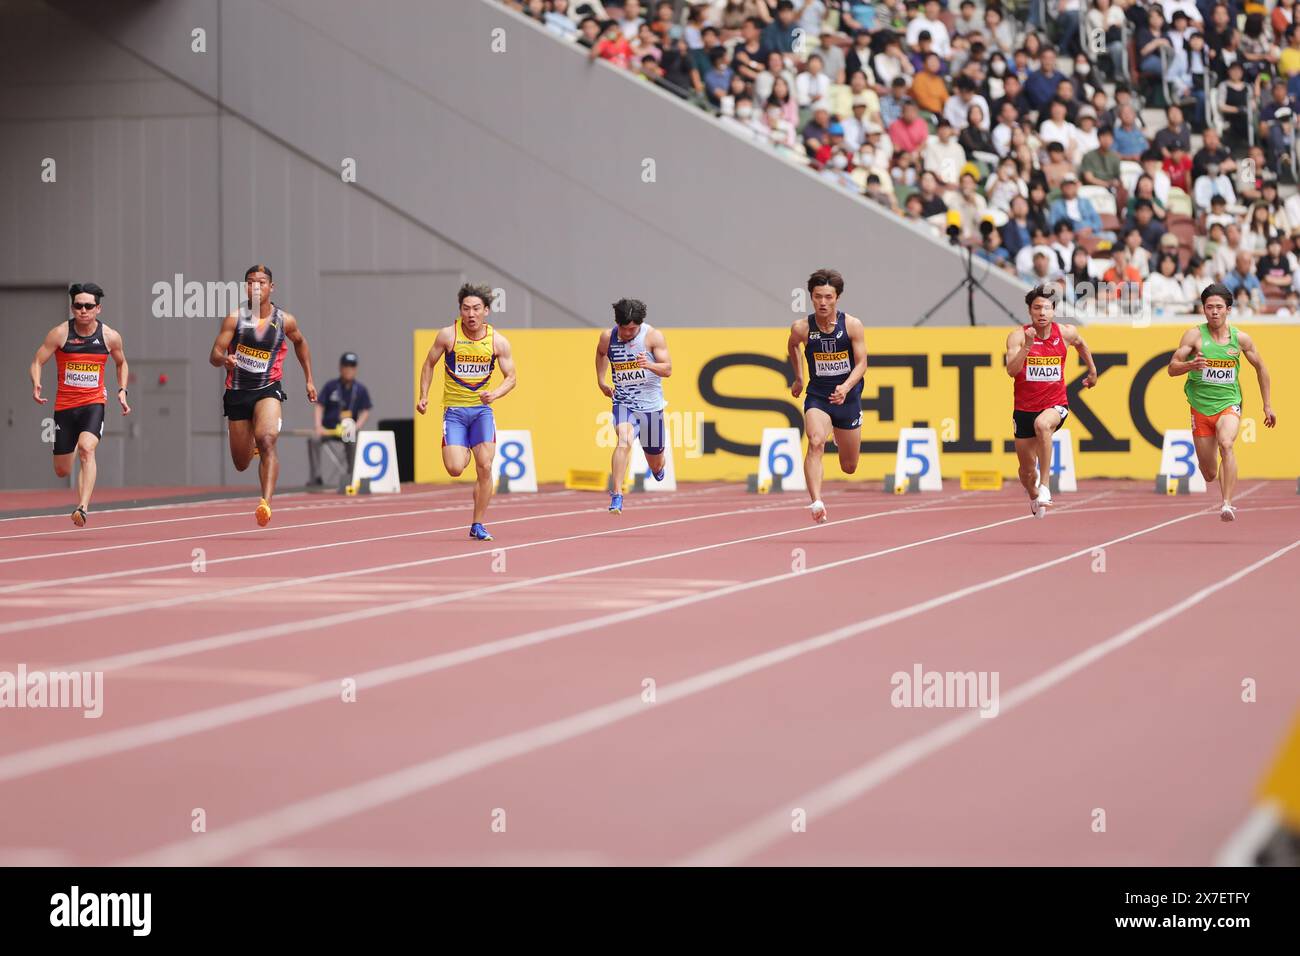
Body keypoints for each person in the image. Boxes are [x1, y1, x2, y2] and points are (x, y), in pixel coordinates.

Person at [209, 265, 317, 527]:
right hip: (237, 392)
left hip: (268, 388)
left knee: (268, 440)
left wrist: (309, 380)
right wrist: (226, 359)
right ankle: (252, 445)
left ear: (271, 287)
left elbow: (300, 342)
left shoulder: (284, 320)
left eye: (261, 283)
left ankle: (265, 504)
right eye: (250, 283)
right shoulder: (235, 319)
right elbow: (213, 355)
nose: (256, 287)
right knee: (241, 462)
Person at [416, 283, 517, 541]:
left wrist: (495, 393)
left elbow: (511, 378)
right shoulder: (447, 336)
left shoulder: (498, 342)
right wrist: (424, 396)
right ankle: (465, 448)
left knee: (485, 466)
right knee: (455, 468)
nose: (470, 314)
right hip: (455, 412)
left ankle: (478, 523)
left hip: (482, 412)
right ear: (460, 310)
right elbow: (429, 364)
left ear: (486, 311)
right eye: (465, 309)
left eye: (476, 309)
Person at [1166, 284, 1276, 521]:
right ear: (1203, 310)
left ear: (1228, 310)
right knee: (1208, 473)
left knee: (1226, 443)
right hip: (1200, 407)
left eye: (1218, 307)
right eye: (1209, 307)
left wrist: (1267, 405)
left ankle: (1227, 503)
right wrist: (1190, 365)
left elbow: (1262, 369)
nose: (1214, 312)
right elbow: (1171, 369)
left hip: (1229, 402)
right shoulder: (1194, 336)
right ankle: (1216, 480)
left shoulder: (1240, 339)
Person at [29, 282, 130, 526]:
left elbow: (121, 363)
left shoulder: (109, 336)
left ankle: (82, 507)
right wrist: (36, 383)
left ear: (98, 308)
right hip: (64, 407)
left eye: (88, 306)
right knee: (62, 470)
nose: (83, 310)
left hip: (93, 403)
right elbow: (37, 360)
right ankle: (71, 443)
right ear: (72, 307)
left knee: (87, 448)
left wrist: (122, 390)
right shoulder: (60, 333)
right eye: (78, 305)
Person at [1005, 286, 1098, 518]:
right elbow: (1011, 371)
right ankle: (1035, 493)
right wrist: (1027, 345)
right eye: (1037, 308)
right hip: (1024, 409)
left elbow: (1081, 344)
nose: (1042, 313)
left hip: (1055, 404)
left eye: (1047, 308)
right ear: (1030, 311)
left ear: (1054, 310)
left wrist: (1093, 371)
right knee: (1027, 473)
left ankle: (1046, 486)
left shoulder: (1065, 333)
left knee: (1043, 425)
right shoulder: (1017, 336)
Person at [787, 269, 868, 523]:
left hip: (848, 397)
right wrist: (799, 377)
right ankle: (817, 502)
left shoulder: (852, 325)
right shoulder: (802, 327)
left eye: (828, 297)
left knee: (849, 466)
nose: (823, 302)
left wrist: (845, 387)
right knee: (814, 441)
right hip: (819, 396)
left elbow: (862, 363)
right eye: (818, 297)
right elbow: (792, 346)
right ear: (811, 297)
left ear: (837, 298)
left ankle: (839, 433)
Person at [594, 298, 672, 514]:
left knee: (655, 462)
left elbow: (667, 369)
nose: (628, 333)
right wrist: (601, 381)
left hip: (650, 406)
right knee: (624, 440)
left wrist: (649, 364)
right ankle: (617, 494)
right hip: (624, 402)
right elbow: (601, 354)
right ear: (617, 323)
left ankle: (659, 467)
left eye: (633, 329)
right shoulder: (607, 337)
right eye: (625, 329)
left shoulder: (652, 336)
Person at [309, 352, 374, 486]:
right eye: (346, 366)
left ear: (355, 369)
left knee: (353, 441)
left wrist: (356, 426)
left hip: (347, 431)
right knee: (313, 439)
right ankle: (316, 477)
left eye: (352, 366)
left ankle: (351, 476)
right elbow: (319, 406)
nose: (348, 369)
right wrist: (318, 426)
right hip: (329, 429)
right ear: (340, 367)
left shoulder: (360, 389)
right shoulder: (330, 386)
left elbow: (366, 410)